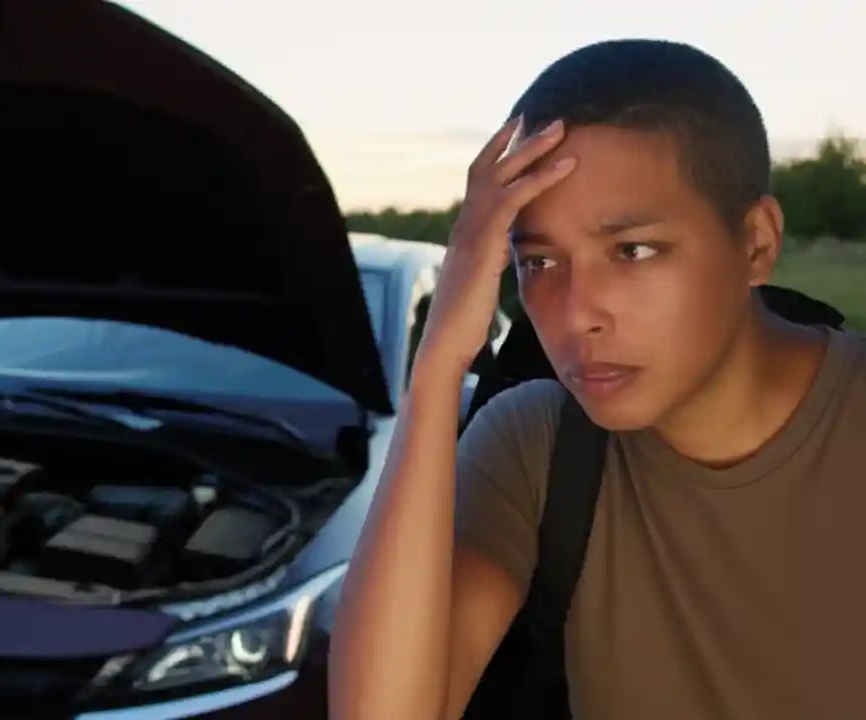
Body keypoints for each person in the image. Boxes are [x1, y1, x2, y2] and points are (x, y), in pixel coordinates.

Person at [328, 38, 866, 720]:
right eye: (541, 263)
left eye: (632, 251)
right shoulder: (535, 445)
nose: (578, 314)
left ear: (756, 242)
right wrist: (437, 366)